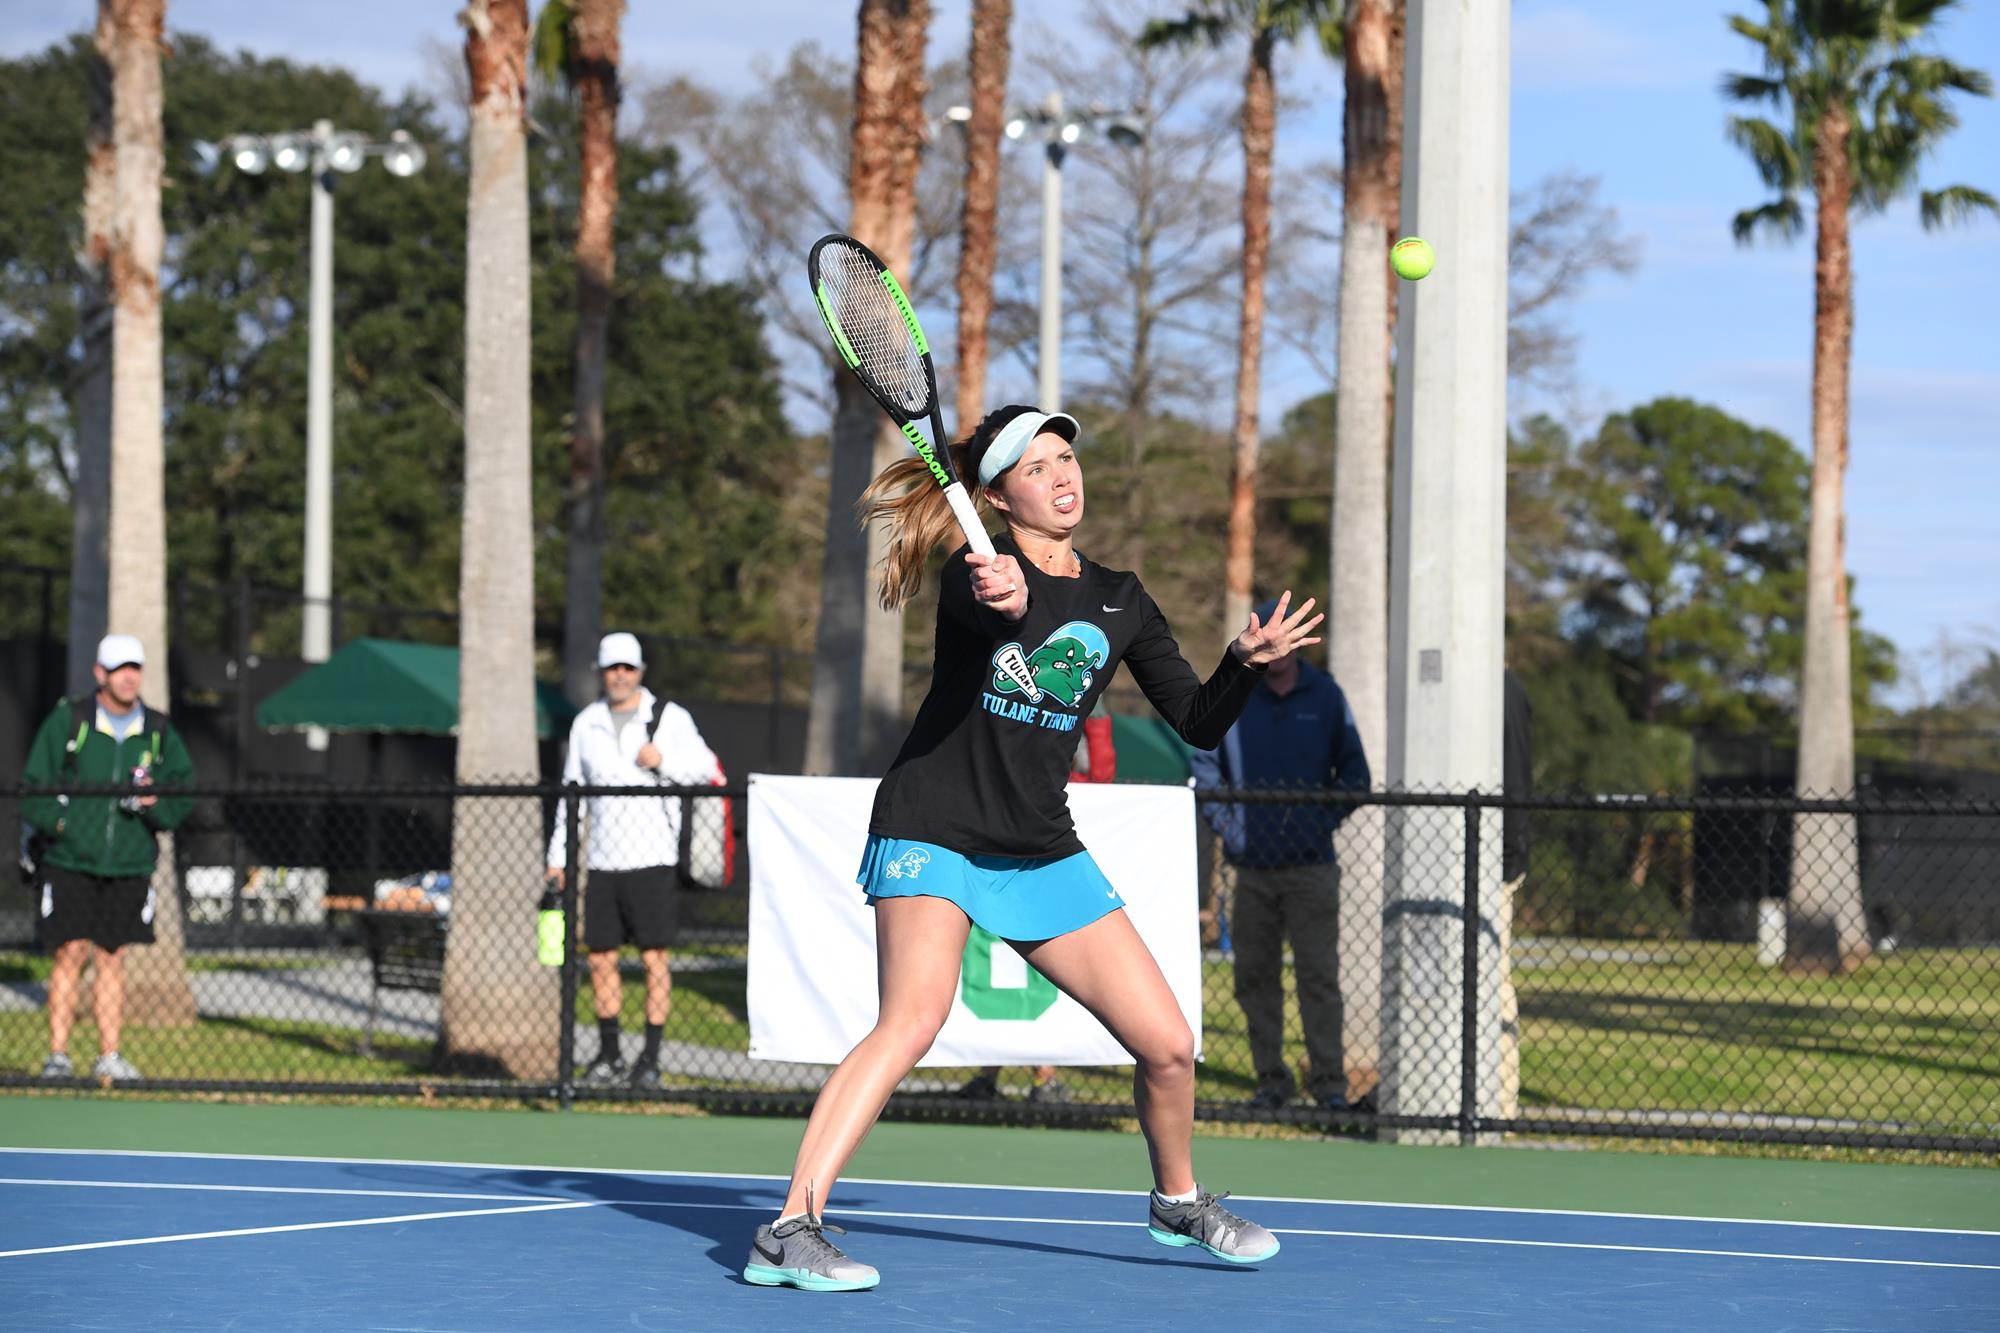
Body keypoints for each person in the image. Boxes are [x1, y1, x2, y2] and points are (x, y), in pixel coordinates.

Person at [744, 405, 1321, 1291]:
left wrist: (1243, 660)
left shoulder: (1122, 597)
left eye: (1067, 458)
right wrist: (1002, 595)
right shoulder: (976, 575)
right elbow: (992, 612)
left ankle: (1177, 1200)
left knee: (1168, 1044)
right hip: (932, 826)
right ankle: (792, 1224)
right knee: (913, 1020)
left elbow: (1200, 718)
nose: (1063, 476)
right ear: (1000, 494)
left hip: (1038, 845)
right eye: (1038, 465)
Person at [1188, 606, 1370, 1113]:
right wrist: (1234, 829)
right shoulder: (1238, 693)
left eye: (1286, 637)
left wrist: (1317, 823)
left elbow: (1356, 777)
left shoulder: (1326, 696)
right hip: (1251, 872)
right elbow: (1204, 768)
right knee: (1255, 979)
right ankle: (1271, 1079)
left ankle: (1329, 1083)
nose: (1278, 645)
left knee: (1318, 976)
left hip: (1312, 868)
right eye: (1268, 636)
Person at [547, 631, 725, 1089]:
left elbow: (705, 768)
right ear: (602, 674)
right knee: (601, 958)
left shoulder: (669, 718)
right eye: (612, 669)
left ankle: (651, 1058)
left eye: (627, 668)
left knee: (654, 959)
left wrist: (663, 760)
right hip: (604, 861)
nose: (620, 677)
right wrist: (558, 857)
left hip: (654, 859)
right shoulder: (586, 723)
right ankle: (610, 1055)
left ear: (640, 672)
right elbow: (574, 797)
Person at [20, 634, 195, 1081]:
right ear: (100, 674)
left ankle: (109, 1055)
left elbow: (182, 793)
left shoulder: (156, 730)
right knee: (71, 951)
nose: (129, 676)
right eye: (120, 668)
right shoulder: (70, 721)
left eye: (135, 667)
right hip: (71, 862)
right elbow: (34, 787)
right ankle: (58, 1055)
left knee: (112, 955)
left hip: (129, 865)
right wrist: (63, 827)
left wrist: (160, 809)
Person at [953, 700, 1116, 1106]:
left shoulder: (1067, 762)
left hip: (1044, 870)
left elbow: (1101, 775)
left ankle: (1044, 1074)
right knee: (988, 962)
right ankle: (989, 1071)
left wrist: (1096, 719)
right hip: (991, 863)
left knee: (1043, 968)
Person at [1497, 667, 1534, 1119]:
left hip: (1498, 855)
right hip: (1497, 849)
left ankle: (1500, 1105)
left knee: (1492, 979)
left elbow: (1512, 767)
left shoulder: (1499, 687)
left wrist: (1509, 852)